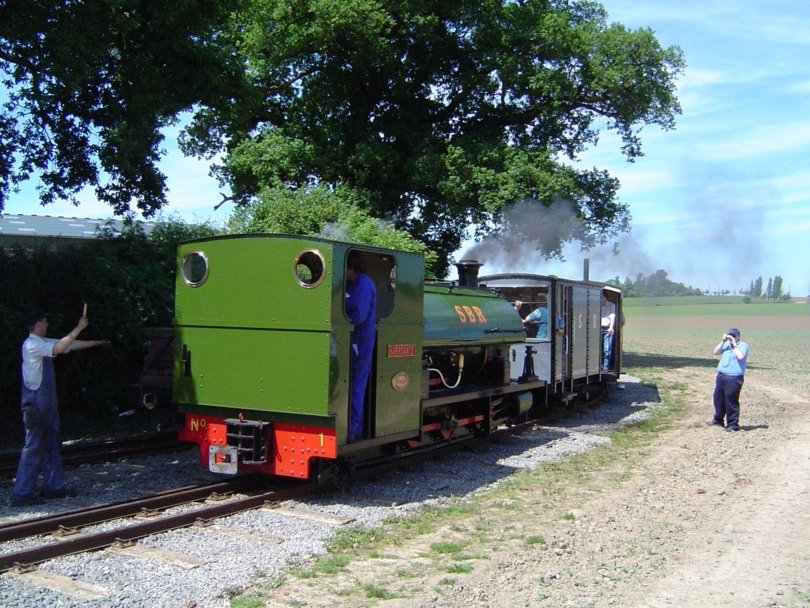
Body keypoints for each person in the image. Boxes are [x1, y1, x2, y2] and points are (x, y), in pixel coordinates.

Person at [10, 311, 110, 507]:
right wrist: (79, 327)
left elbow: (69, 344)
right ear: (37, 324)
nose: (47, 324)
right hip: (36, 405)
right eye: (45, 322)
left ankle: (54, 487)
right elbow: (60, 347)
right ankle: (21, 494)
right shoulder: (32, 345)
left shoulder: (43, 342)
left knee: (52, 445)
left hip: (46, 404)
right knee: (34, 447)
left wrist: (97, 342)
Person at [344, 253, 376, 443]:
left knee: (356, 384)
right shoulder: (354, 284)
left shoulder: (363, 284)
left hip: (360, 340)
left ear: (351, 268)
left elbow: (359, 315)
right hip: (354, 339)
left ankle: (354, 428)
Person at [710, 327, 749, 432]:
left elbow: (740, 357)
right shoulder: (726, 344)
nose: (732, 337)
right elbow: (715, 352)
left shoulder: (743, 345)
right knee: (718, 398)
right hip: (722, 376)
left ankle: (733, 424)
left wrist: (734, 344)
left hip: (734, 377)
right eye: (731, 335)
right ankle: (718, 420)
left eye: (734, 336)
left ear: (738, 336)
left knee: (731, 400)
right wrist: (723, 341)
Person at [600, 293, 616, 370]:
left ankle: (605, 367)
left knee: (607, 349)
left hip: (607, 329)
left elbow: (612, 317)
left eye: (601, 297)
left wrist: (611, 327)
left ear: (605, 297)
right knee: (598, 349)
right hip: (598, 328)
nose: (600, 299)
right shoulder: (596, 305)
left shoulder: (611, 305)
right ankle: (599, 366)